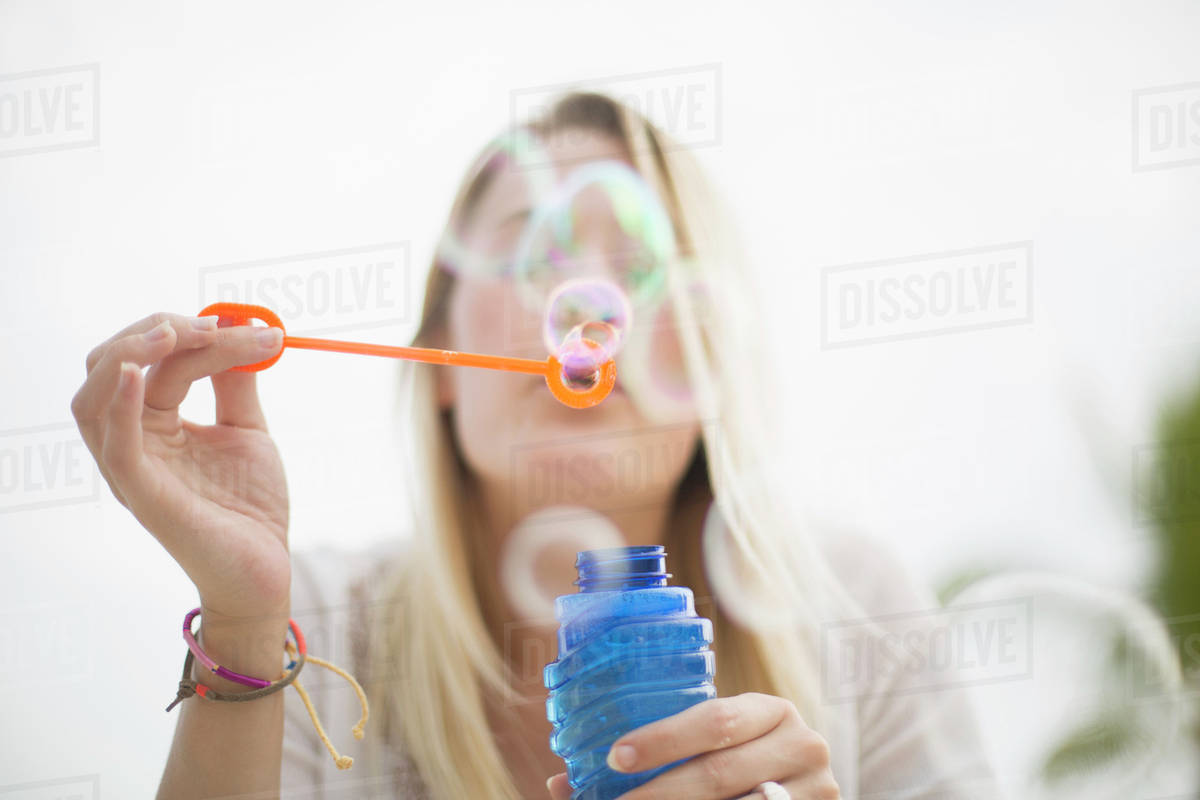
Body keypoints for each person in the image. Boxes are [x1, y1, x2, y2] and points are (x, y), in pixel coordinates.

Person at [71, 92, 1000, 800]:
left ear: (712, 349)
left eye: (645, 265)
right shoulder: (313, 624)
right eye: (535, 256)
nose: (595, 309)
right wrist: (240, 620)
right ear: (438, 363)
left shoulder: (855, 608)